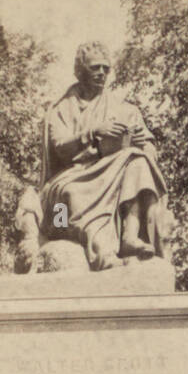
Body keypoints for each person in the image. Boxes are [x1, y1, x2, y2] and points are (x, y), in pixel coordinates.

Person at [39, 41, 169, 270]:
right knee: (73, 194)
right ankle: (102, 254)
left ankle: (130, 235)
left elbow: (151, 150)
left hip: (115, 174)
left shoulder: (125, 110)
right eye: (95, 68)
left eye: (105, 68)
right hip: (69, 179)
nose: (101, 73)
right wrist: (92, 133)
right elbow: (59, 147)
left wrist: (141, 144)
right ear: (80, 71)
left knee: (138, 161)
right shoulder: (61, 109)